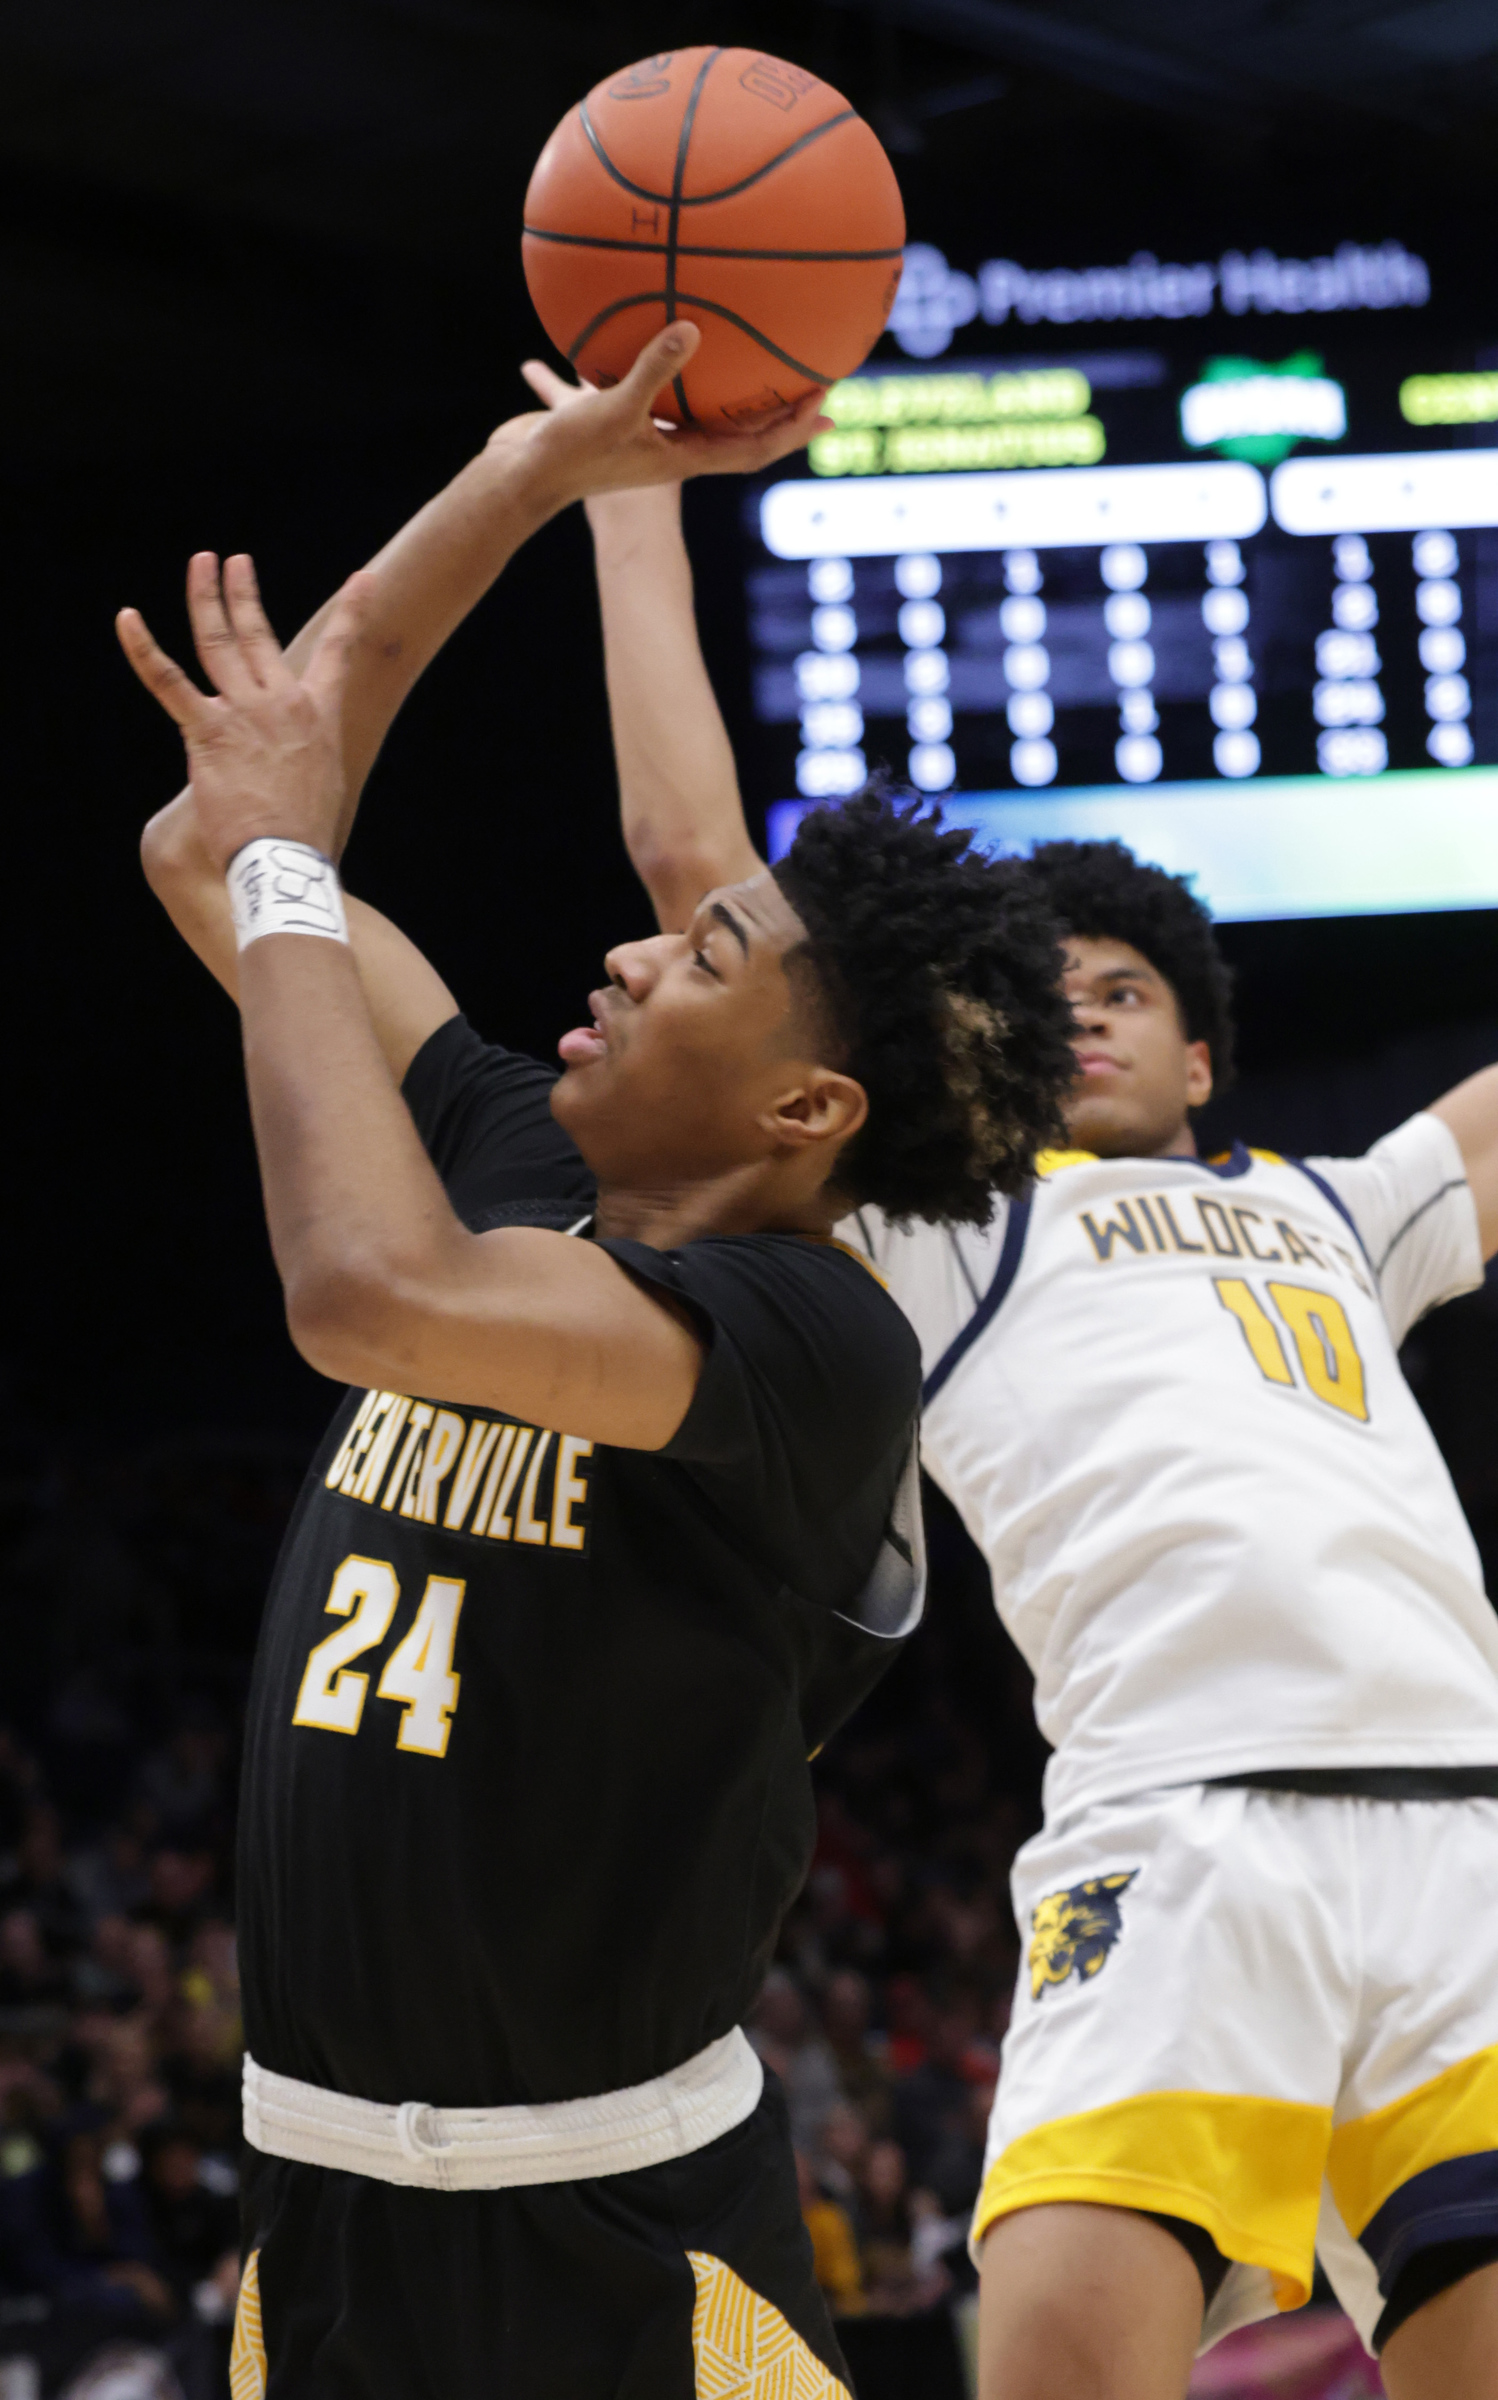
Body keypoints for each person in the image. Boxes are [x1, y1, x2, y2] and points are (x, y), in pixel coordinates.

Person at [120, 325, 1076, 2400]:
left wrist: (288, 853)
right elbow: (219, 850)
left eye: (706, 954)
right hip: (323, 2215)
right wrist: (529, 486)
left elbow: (365, 1292)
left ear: (807, 1109)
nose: (637, 946)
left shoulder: (811, 1342)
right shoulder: (509, 1154)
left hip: (621, 2254)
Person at [570, 467, 1498, 2400]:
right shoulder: (942, 1217)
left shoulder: (1347, 1204)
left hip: (1469, 1835)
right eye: (1047, 996)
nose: (1082, 1014)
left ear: (1200, 1051)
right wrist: (633, 508)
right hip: (1181, 1826)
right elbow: (699, 873)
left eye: (1124, 989)